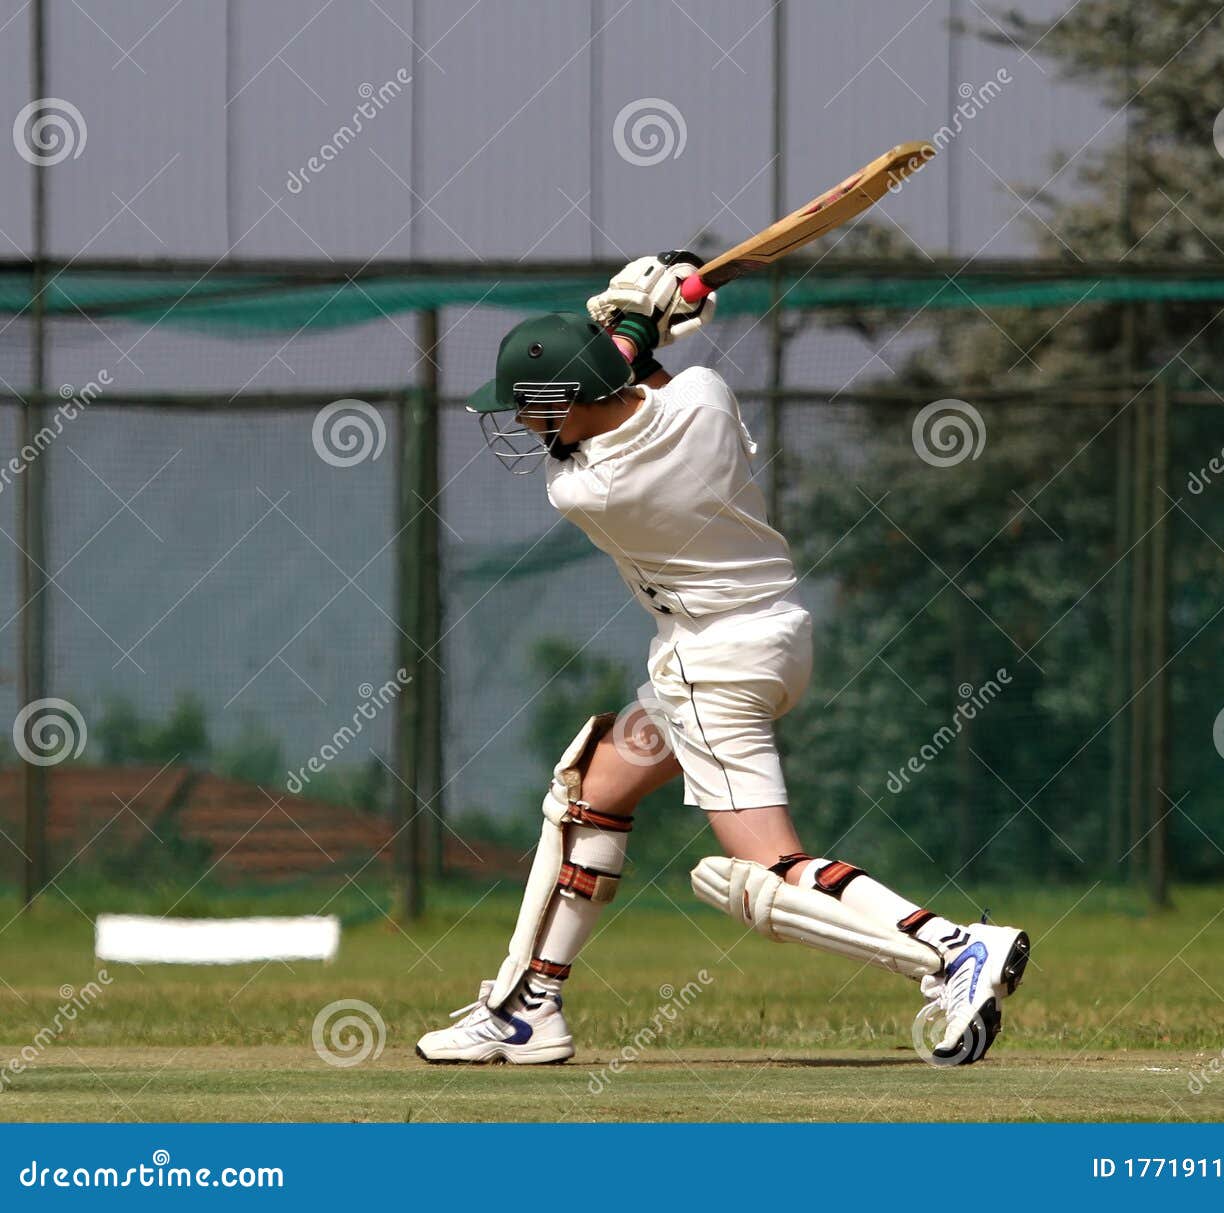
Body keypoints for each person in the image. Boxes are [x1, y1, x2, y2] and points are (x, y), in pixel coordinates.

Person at [416, 253, 1028, 1068]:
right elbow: (636, 380)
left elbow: (610, 391)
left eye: (534, 406)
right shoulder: (704, 395)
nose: (526, 422)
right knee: (593, 786)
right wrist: (641, 325)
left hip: (713, 668)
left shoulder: (591, 489)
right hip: (775, 635)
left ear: (574, 397)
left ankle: (951, 948)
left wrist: (637, 321)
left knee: (767, 867)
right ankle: (527, 1006)